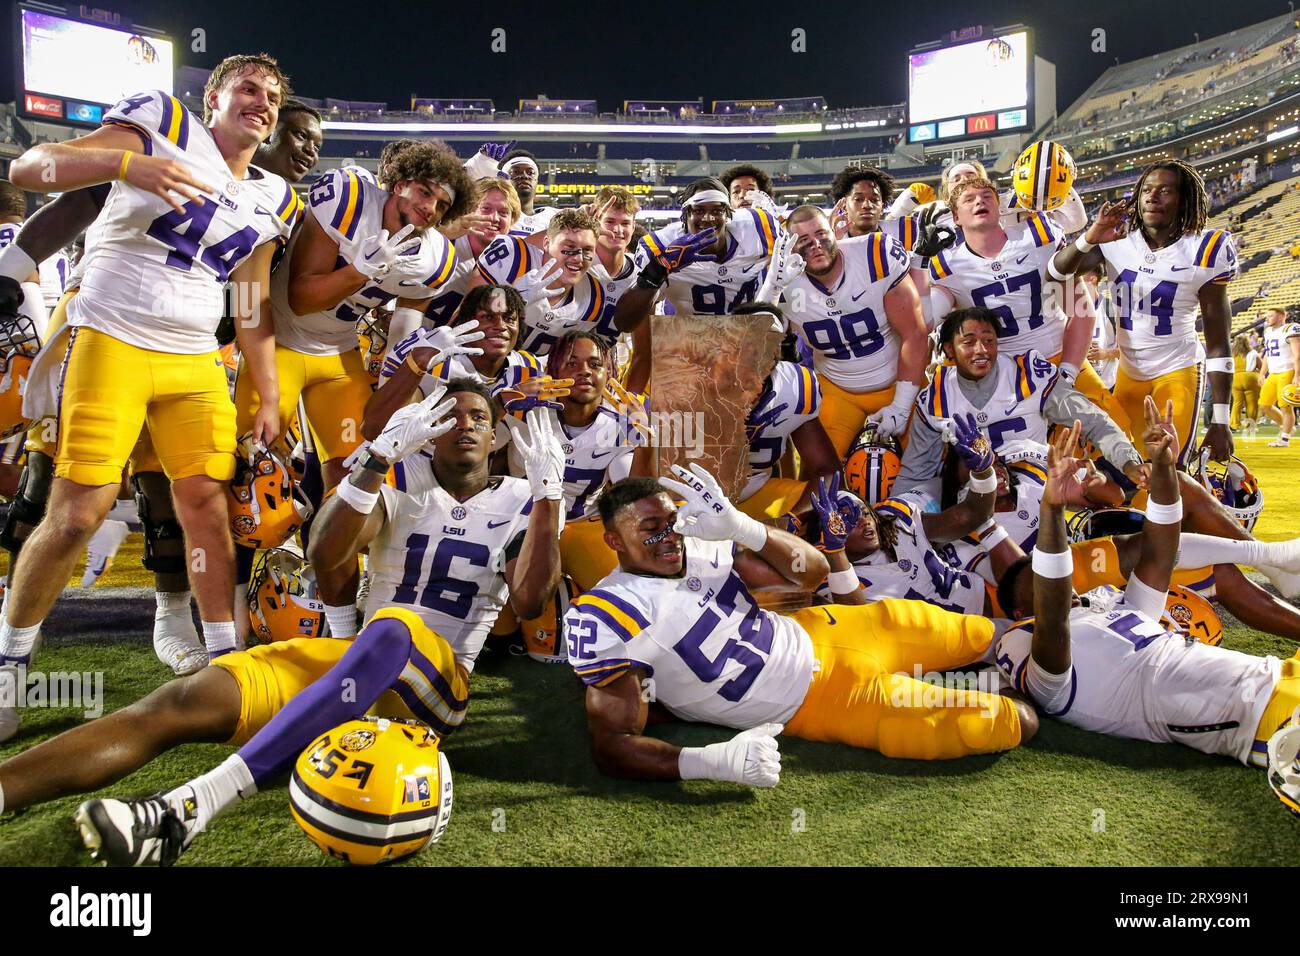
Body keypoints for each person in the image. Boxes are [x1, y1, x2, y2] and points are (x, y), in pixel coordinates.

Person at [0, 379, 565, 866]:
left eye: (479, 418)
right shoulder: (400, 478)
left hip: (434, 688)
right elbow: (325, 554)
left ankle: (190, 806)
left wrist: (548, 498)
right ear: (426, 429)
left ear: (497, 437)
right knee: (185, 700)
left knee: (392, 628)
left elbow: (532, 598)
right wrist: (375, 459)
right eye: (450, 417)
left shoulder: (522, 498)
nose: (464, 426)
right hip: (355, 662)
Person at [1, 55, 300, 741]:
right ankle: (9, 662)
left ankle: (224, 664)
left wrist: (268, 390)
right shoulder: (162, 124)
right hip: (113, 333)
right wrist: (127, 167)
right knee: (77, 511)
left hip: (195, 355)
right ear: (214, 97)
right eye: (248, 90)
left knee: (206, 503)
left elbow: (251, 303)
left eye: (274, 98)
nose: (262, 103)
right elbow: (30, 168)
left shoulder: (273, 196)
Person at [561, 465, 1037, 786]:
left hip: (829, 629)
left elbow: (811, 573)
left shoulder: (701, 540)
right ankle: (1007, 682)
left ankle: (1068, 648)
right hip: (819, 701)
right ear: (613, 541)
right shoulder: (610, 613)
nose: (670, 536)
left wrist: (742, 527)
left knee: (990, 635)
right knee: (1007, 722)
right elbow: (611, 745)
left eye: (672, 521)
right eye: (650, 530)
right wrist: (707, 762)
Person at [992, 407, 1300, 770]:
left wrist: (1165, 466)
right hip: (1262, 714)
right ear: (1020, 613)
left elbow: (1159, 551)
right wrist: (1053, 510)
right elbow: (1053, 613)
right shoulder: (1049, 672)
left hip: (1275, 672)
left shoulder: (1109, 609)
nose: (1069, 585)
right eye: (1039, 583)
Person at [1051, 160, 1238, 466]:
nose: (1153, 197)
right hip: (1130, 374)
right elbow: (1055, 274)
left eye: (1165, 190)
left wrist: (1220, 420)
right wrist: (1090, 236)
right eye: (1147, 190)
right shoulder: (1118, 241)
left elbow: (1219, 342)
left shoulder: (1204, 249)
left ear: (1184, 200)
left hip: (1177, 369)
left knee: (1167, 465)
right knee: (1122, 467)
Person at [896, 308, 1147, 502]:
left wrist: (1129, 462)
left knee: (1108, 493)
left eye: (989, 341)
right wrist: (895, 513)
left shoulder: (1028, 375)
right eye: (969, 342)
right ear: (949, 349)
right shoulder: (936, 397)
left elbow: (1093, 420)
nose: (981, 350)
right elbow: (917, 471)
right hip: (979, 499)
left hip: (1043, 486)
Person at [929, 177, 1119, 421]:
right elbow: (923, 321)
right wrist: (918, 261)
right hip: (998, 375)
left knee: (1115, 435)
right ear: (956, 217)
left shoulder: (1039, 237)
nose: (979, 201)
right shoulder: (946, 266)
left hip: (1059, 355)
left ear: (999, 208)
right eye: (969, 199)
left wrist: (1067, 373)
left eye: (987, 197)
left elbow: (1081, 311)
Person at [778, 204, 929, 457]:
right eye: (803, 240)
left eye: (821, 234)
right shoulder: (781, 282)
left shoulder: (874, 255)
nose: (815, 244)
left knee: (930, 461)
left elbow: (915, 333)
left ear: (835, 232)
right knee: (820, 473)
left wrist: (902, 406)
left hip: (897, 380)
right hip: (837, 391)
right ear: (790, 248)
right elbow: (763, 345)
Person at [1257, 306, 1300, 446]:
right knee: (1264, 405)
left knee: (1286, 406)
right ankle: (1288, 427)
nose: (1267, 318)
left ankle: (1284, 438)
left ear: (1282, 316)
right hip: (1274, 372)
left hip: (1287, 370)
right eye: (1267, 316)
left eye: (1271, 315)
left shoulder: (1290, 329)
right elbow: (1268, 354)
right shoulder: (1268, 331)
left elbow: (1297, 354)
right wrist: (1262, 373)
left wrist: (1297, 375)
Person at [1231, 333, 1261, 433]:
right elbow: (1260, 366)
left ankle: (1234, 425)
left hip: (1236, 377)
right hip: (1250, 377)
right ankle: (1250, 426)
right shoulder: (1253, 352)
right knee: (1252, 403)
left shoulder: (1232, 353)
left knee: (1237, 403)